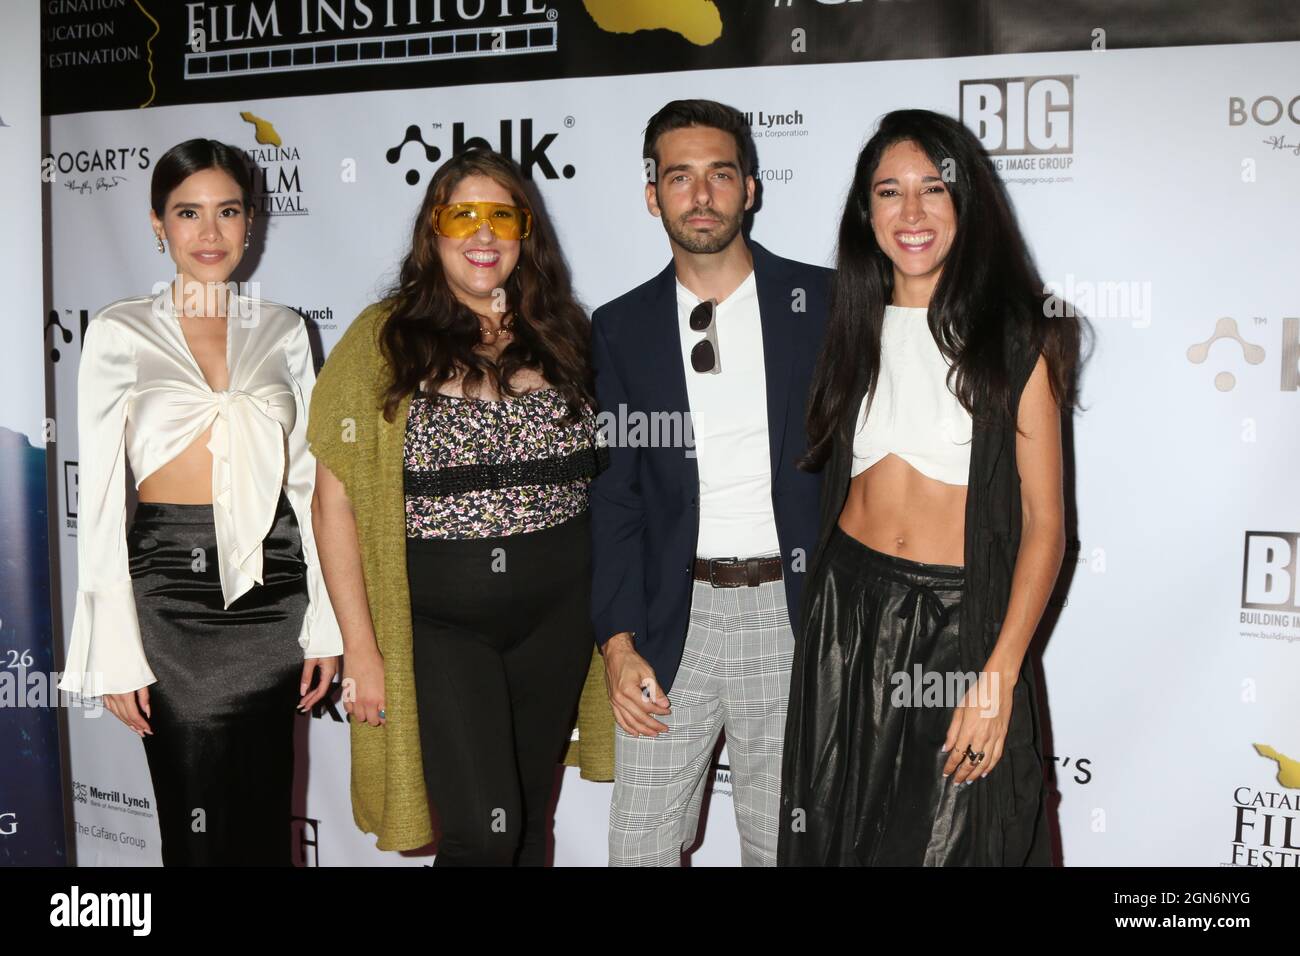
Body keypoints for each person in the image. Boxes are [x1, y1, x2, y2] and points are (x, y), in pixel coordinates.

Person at [779, 109, 1083, 866]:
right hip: (845, 615)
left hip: (958, 624)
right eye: (889, 192)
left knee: (943, 845)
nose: (911, 213)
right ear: (865, 210)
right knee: (832, 836)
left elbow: (1046, 527)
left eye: (933, 189)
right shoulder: (842, 324)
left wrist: (998, 675)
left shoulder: (1016, 340)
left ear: (965, 204)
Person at [308, 147, 613, 866]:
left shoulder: (565, 331)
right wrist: (361, 647)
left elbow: (606, 479)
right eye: (462, 215)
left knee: (531, 820)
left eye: (501, 215)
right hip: (442, 626)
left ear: (525, 230)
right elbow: (334, 503)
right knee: (484, 832)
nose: (483, 234)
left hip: (559, 620)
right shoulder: (382, 339)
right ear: (433, 232)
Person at [58, 138, 342, 866]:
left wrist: (326, 621)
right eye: (188, 213)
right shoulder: (120, 330)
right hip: (169, 595)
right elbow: (100, 500)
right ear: (159, 223)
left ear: (252, 222)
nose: (209, 234)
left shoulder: (282, 330)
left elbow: (310, 480)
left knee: (263, 815)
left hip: (274, 588)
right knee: (195, 828)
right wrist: (112, 651)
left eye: (227, 212)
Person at [591, 99, 831, 866]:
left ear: (750, 188)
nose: (701, 195)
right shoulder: (621, 327)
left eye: (720, 174)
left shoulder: (822, 304)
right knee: (639, 851)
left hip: (791, 618)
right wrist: (617, 643)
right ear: (652, 194)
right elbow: (615, 495)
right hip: (672, 621)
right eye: (680, 177)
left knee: (784, 851)